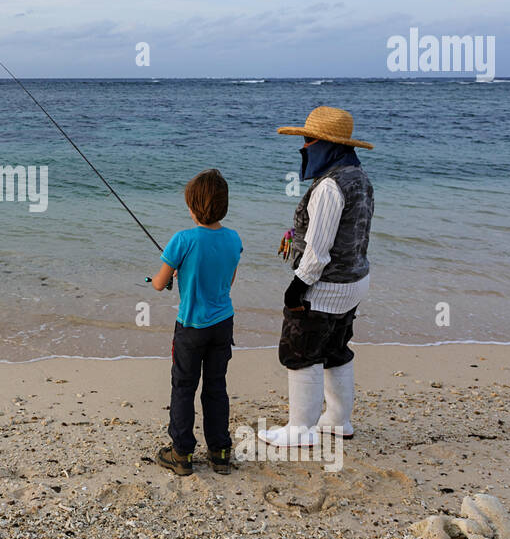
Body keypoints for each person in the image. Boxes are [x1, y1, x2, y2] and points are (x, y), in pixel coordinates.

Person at [260, 106, 373, 448]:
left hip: (326, 287)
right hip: (355, 281)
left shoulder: (328, 187)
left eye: (309, 140)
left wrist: (297, 288)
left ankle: (300, 429)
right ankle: (338, 421)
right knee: (336, 350)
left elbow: (318, 251)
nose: (304, 147)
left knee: (300, 353)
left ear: (325, 145)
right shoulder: (359, 176)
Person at [150, 169, 242, 475]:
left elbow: (159, 283)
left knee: (184, 386)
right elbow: (227, 281)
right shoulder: (233, 239)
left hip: (190, 327)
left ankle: (182, 454)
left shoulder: (182, 240)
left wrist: (171, 276)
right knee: (216, 387)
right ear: (224, 205)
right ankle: (219, 452)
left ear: (191, 207)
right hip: (222, 324)